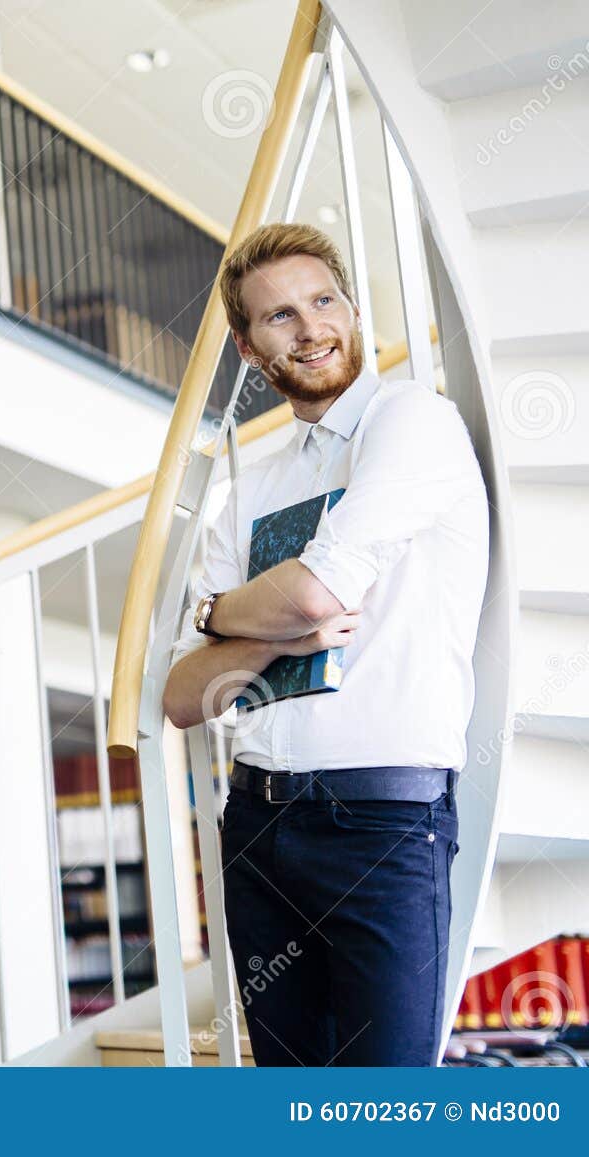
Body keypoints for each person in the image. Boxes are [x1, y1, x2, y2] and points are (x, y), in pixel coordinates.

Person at [163, 222, 489, 1066]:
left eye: (322, 300)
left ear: (349, 306)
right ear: (247, 345)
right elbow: (183, 696)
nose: (310, 329)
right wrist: (264, 635)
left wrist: (224, 610)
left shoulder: (411, 421)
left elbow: (316, 589)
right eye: (279, 317)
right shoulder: (251, 490)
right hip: (261, 823)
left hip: (382, 822)